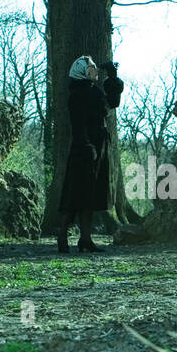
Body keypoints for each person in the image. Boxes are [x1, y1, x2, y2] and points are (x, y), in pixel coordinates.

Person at [56, 56, 124, 253]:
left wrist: (113, 76)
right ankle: (62, 237)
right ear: (82, 71)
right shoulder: (77, 93)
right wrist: (87, 146)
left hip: (97, 144)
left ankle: (85, 238)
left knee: (90, 193)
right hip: (83, 147)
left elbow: (112, 103)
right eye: (91, 68)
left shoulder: (93, 90)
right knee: (74, 193)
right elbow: (78, 124)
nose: (95, 70)